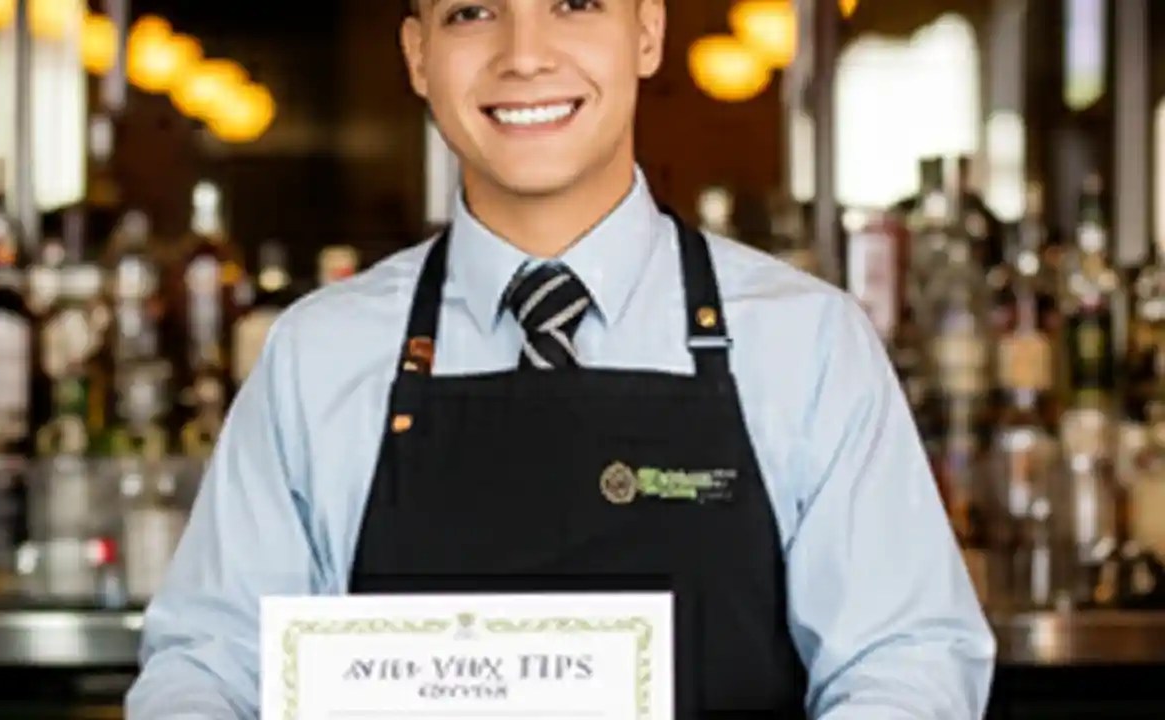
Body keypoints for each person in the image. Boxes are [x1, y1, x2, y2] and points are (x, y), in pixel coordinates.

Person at [126, 0, 997, 717]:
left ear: (648, 30)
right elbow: (208, 666)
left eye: (575, 5)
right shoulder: (317, 357)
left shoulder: (807, 346)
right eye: (473, 13)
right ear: (418, 53)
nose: (525, 55)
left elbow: (905, 663)